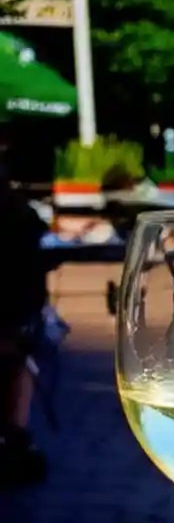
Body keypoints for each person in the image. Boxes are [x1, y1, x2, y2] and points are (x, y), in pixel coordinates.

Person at [0, 136, 53, 484]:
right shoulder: (18, 213)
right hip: (14, 324)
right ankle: (15, 434)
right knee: (25, 358)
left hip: (13, 322)